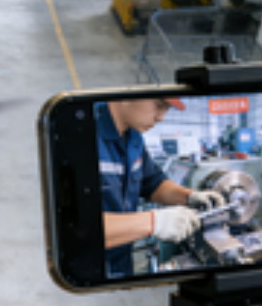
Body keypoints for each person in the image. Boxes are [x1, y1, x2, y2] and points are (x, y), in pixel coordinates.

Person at [96, 98, 225, 277]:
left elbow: (153, 183)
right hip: (88, 269)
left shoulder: (134, 138)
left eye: (167, 109)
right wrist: (155, 223)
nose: (161, 117)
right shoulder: (82, 133)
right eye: (159, 105)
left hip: (122, 262)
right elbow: (75, 230)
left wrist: (189, 197)